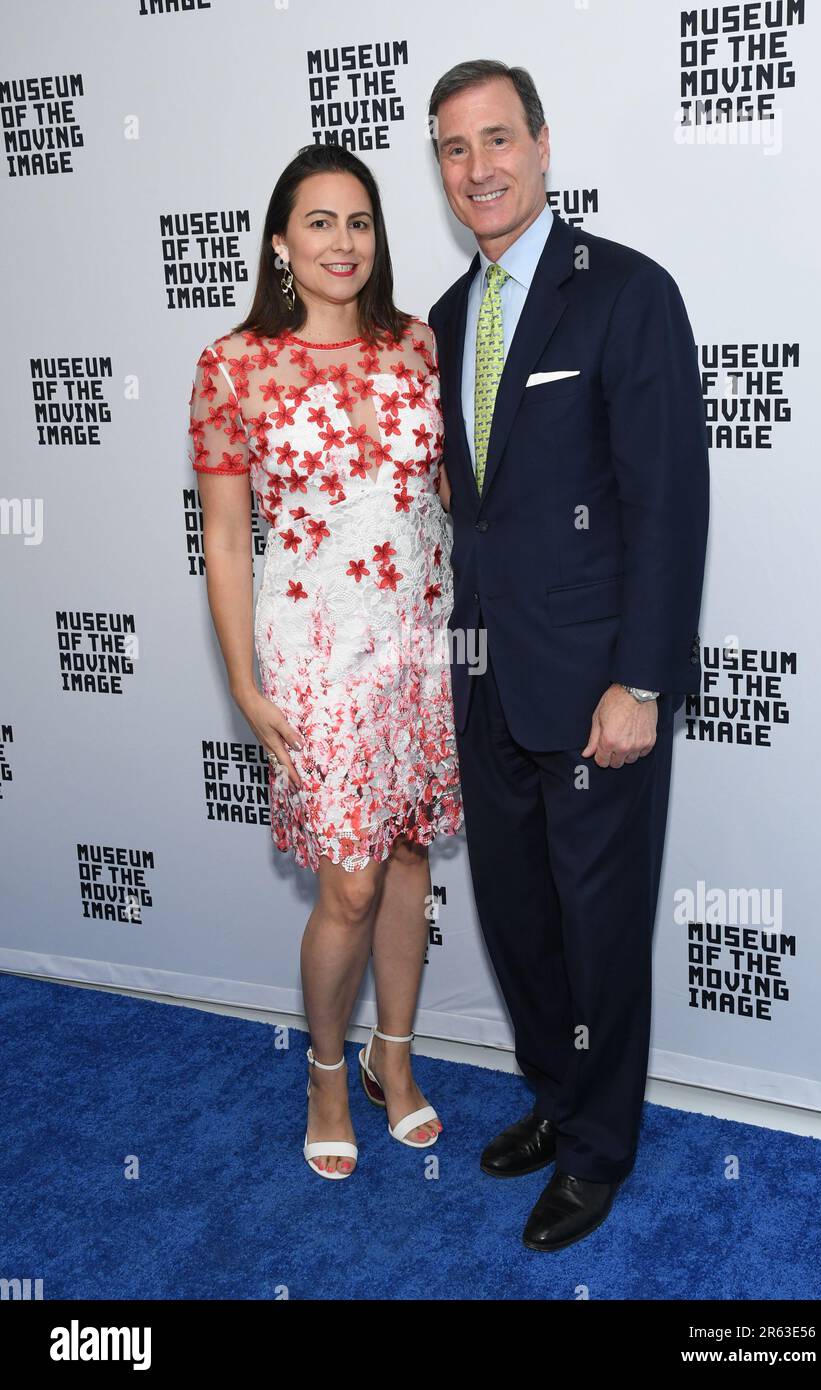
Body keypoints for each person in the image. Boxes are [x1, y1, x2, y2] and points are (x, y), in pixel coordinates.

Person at [427, 61, 710, 1249]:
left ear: (542, 146)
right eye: (453, 148)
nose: (478, 167)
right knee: (515, 920)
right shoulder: (444, 322)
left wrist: (639, 681)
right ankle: (554, 1098)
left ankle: (598, 1149)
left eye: (498, 139)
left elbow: (666, 500)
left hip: (598, 689)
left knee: (597, 932)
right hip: (483, 683)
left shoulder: (624, 293)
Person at [187, 144, 462, 1180]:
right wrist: (244, 685)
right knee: (345, 885)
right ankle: (327, 1070)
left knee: (403, 856)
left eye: (358, 221)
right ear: (279, 242)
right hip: (313, 655)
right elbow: (222, 538)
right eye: (318, 221)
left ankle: (397, 1054)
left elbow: (448, 497)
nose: (341, 242)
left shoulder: (417, 347)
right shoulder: (231, 366)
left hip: (417, 643)